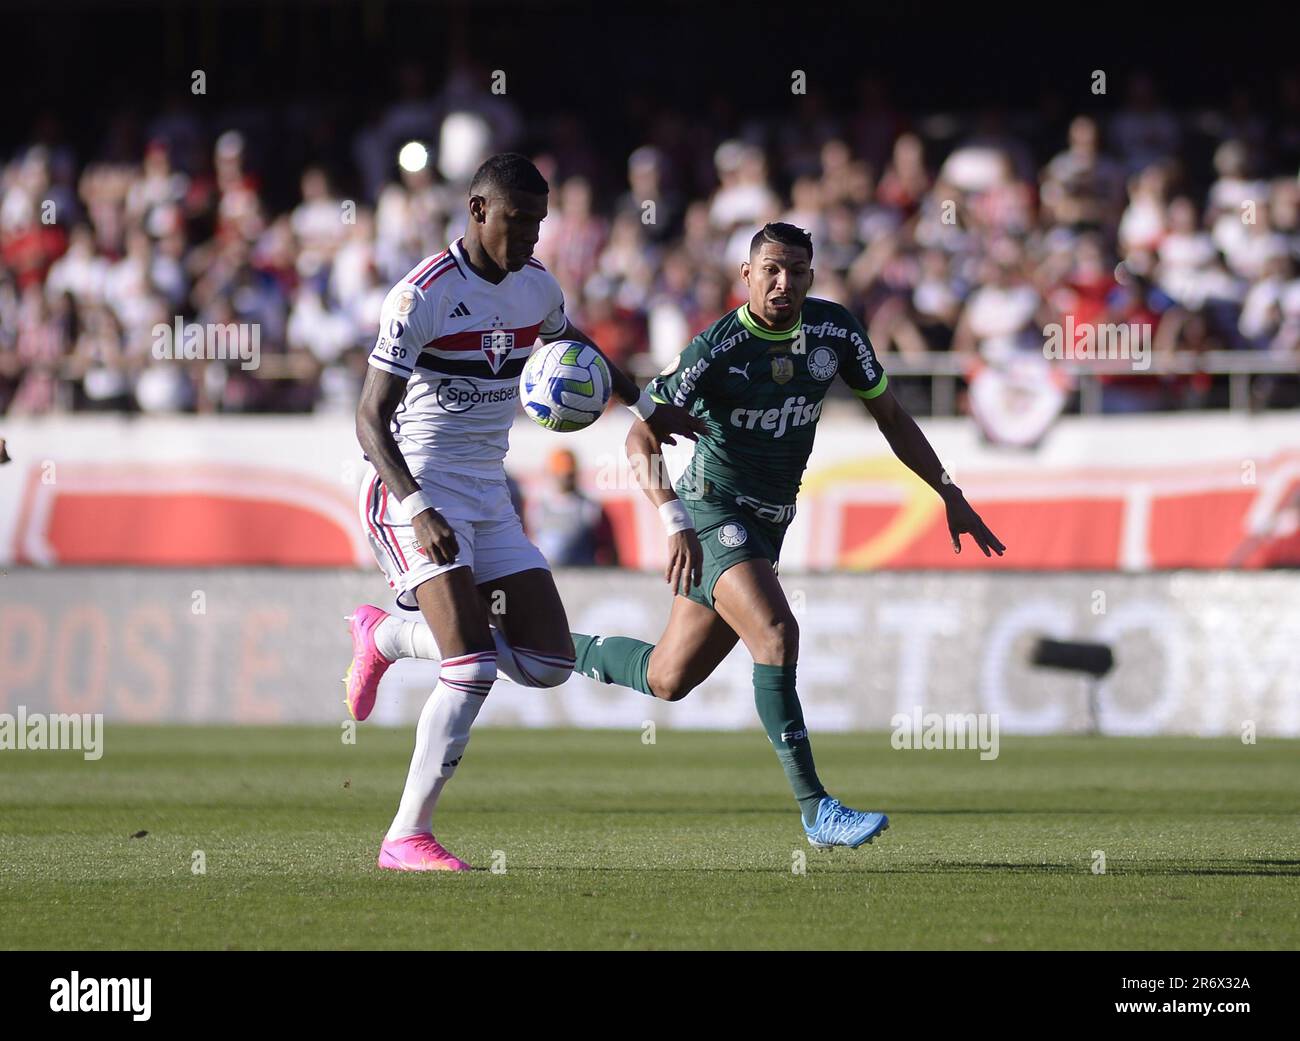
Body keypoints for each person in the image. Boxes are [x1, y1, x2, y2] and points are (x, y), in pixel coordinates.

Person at [571, 222, 1005, 850]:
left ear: (811, 275)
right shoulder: (715, 350)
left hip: (767, 525)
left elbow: (890, 415)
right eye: (770, 269)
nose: (784, 282)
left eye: (797, 270)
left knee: (667, 678)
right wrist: (673, 520)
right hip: (713, 512)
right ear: (745, 275)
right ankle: (817, 809)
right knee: (776, 633)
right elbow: (639, 436)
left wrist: (948, 490)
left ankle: (531, 642)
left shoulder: (835, 331)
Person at [345, 153, 705, 872]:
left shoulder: (536, 288)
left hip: (487, 494)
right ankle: (405, 836)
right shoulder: (421, 296)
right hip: (414, 491)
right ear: (478, 211)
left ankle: (386, 636)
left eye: (539, 221)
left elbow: (574, 348)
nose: (532, 235)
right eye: (518, 219)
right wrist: (416, 506)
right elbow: (369, 420)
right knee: (473, 665)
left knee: (546, 662)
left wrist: (645, 403)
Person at [526, 449, 619, 566]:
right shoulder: (538, 510)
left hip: (583, 578)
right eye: (559, 474)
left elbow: (610, 551)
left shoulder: (589, 509)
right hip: (548, 578)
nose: (563, 478)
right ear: (549, 473)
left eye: (567, 474)